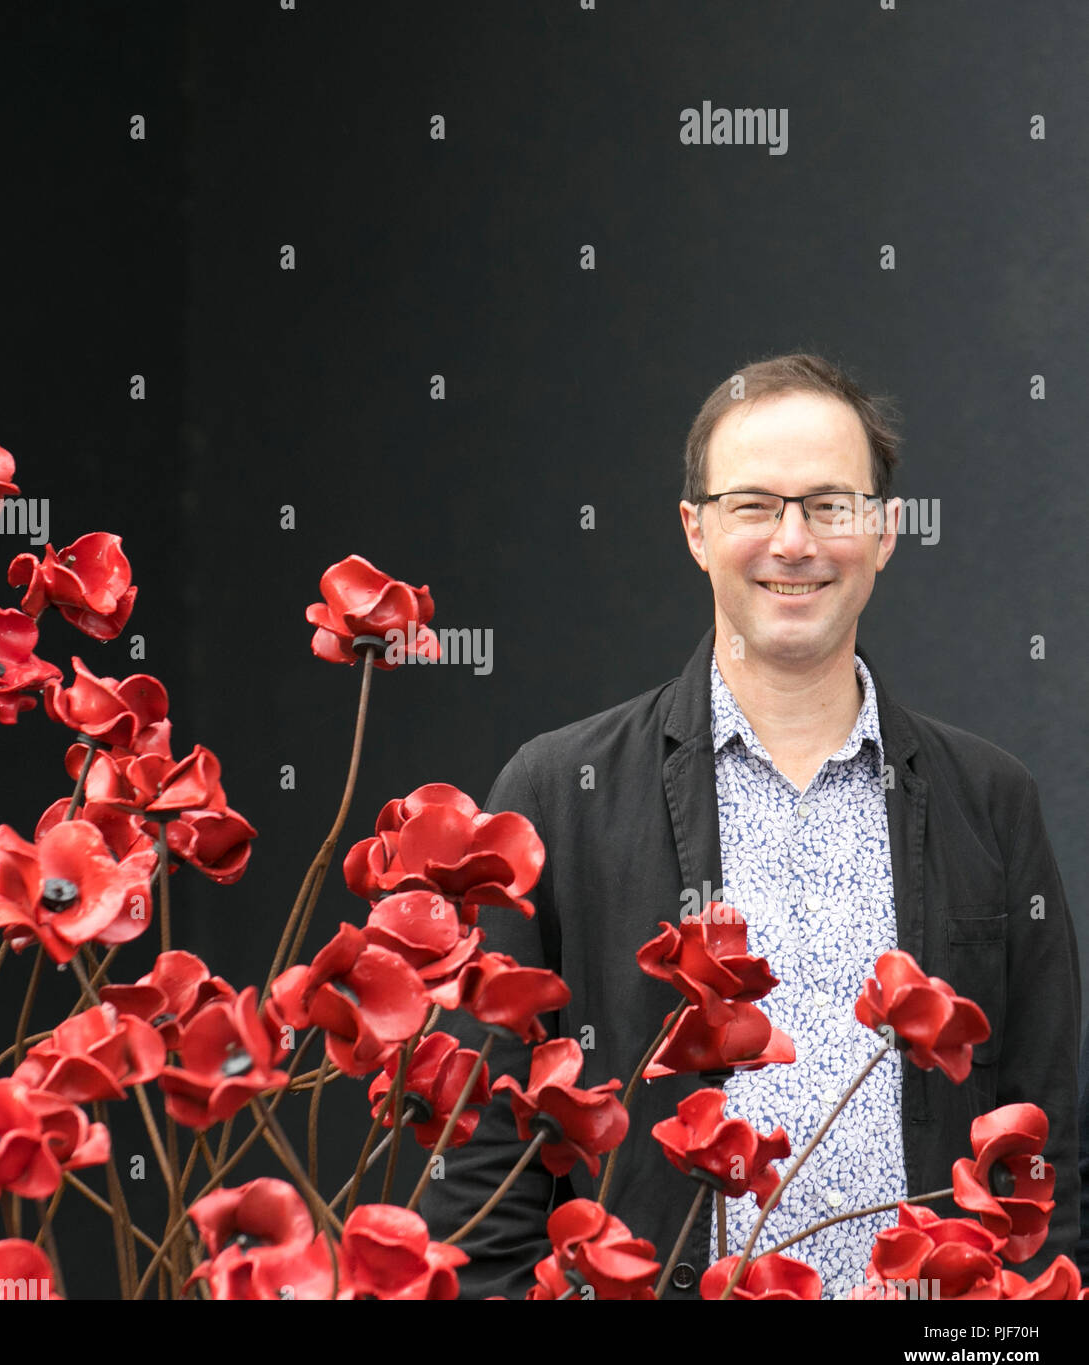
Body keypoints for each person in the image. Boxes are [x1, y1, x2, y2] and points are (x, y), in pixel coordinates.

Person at [419, 353, 1082, 1300]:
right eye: (753, 506)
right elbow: (485, 1170)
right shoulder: (559, 791)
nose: (794, 540)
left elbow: (1049, 1143)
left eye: (829, 504)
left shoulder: (991, 798)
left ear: (885, 531)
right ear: (695, 532)